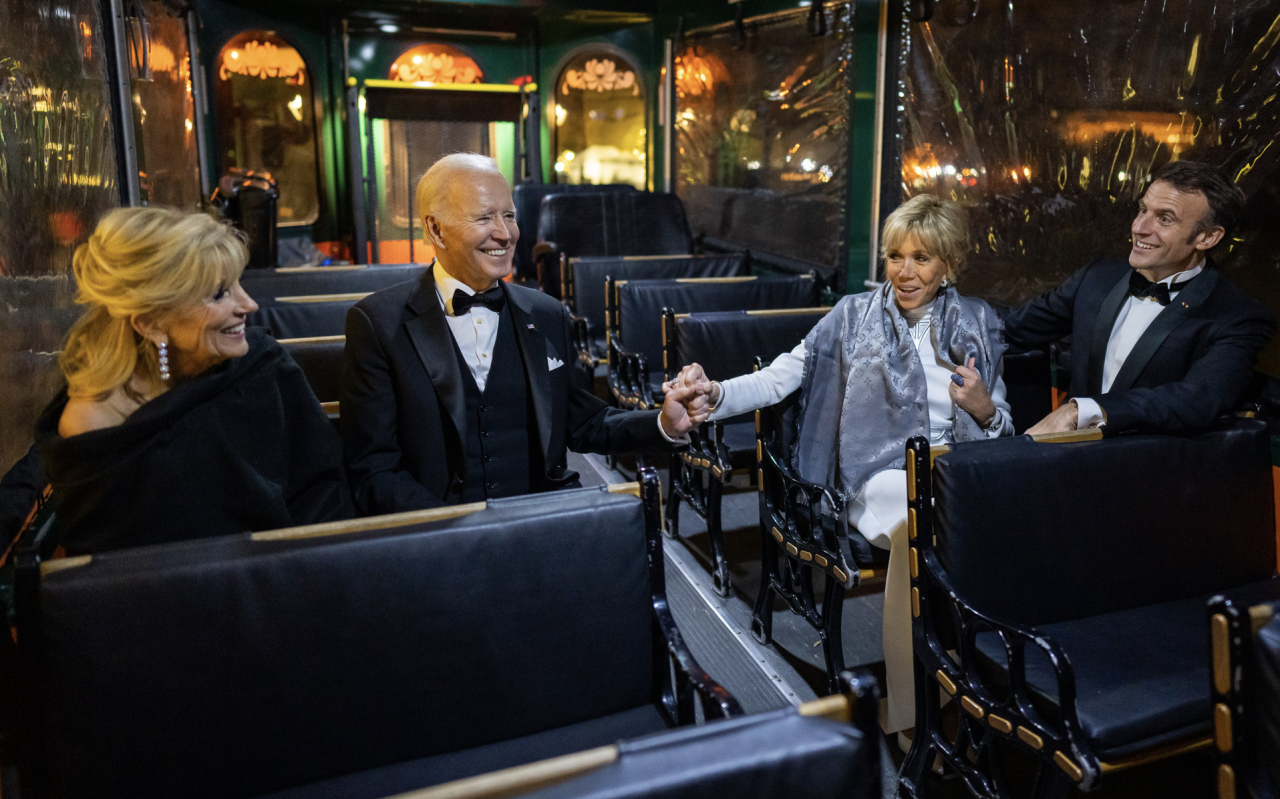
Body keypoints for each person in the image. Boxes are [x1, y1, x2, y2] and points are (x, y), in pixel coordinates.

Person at [672, 194, 1013, 741]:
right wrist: (714, 395)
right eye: (895, 256)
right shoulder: (851, 316)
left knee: (959, 526)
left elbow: (1004, 427)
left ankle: (971, 692)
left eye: (922, 258)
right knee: (918, 526)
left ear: (948, 264)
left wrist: (984, 409)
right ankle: (916, 717)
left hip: (957, 468)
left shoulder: (977, 321)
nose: (904, 272)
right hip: (875, 472)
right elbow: (780, 378)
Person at [341, 153, 704, 515]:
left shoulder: (547, 313)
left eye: (510, 215)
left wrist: (663, 422)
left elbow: (584, 422)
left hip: (538, 522)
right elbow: (374, 473)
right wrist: (455, 535)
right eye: (484, 217)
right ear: (436, 229)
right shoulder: (377, 324)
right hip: (435, 540)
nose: (506, 233)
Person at [34, 207, 352, 555]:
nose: (249, 304)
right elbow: (119, 578)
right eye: (218, 294)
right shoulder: (96, 428)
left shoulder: (258, 363)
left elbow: (321, 488)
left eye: (238, 284)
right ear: (152, 324)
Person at [1007, 160, 1277, 434]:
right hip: (1066, 461)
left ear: (1207, 238)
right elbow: (1013, 329)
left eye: (1164, 218)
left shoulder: (1238, 316)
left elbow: (1197, 400)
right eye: (1142, 210)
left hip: (1149, 470)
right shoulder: (1097, 278)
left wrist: (1083, 413)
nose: (1139, 227)